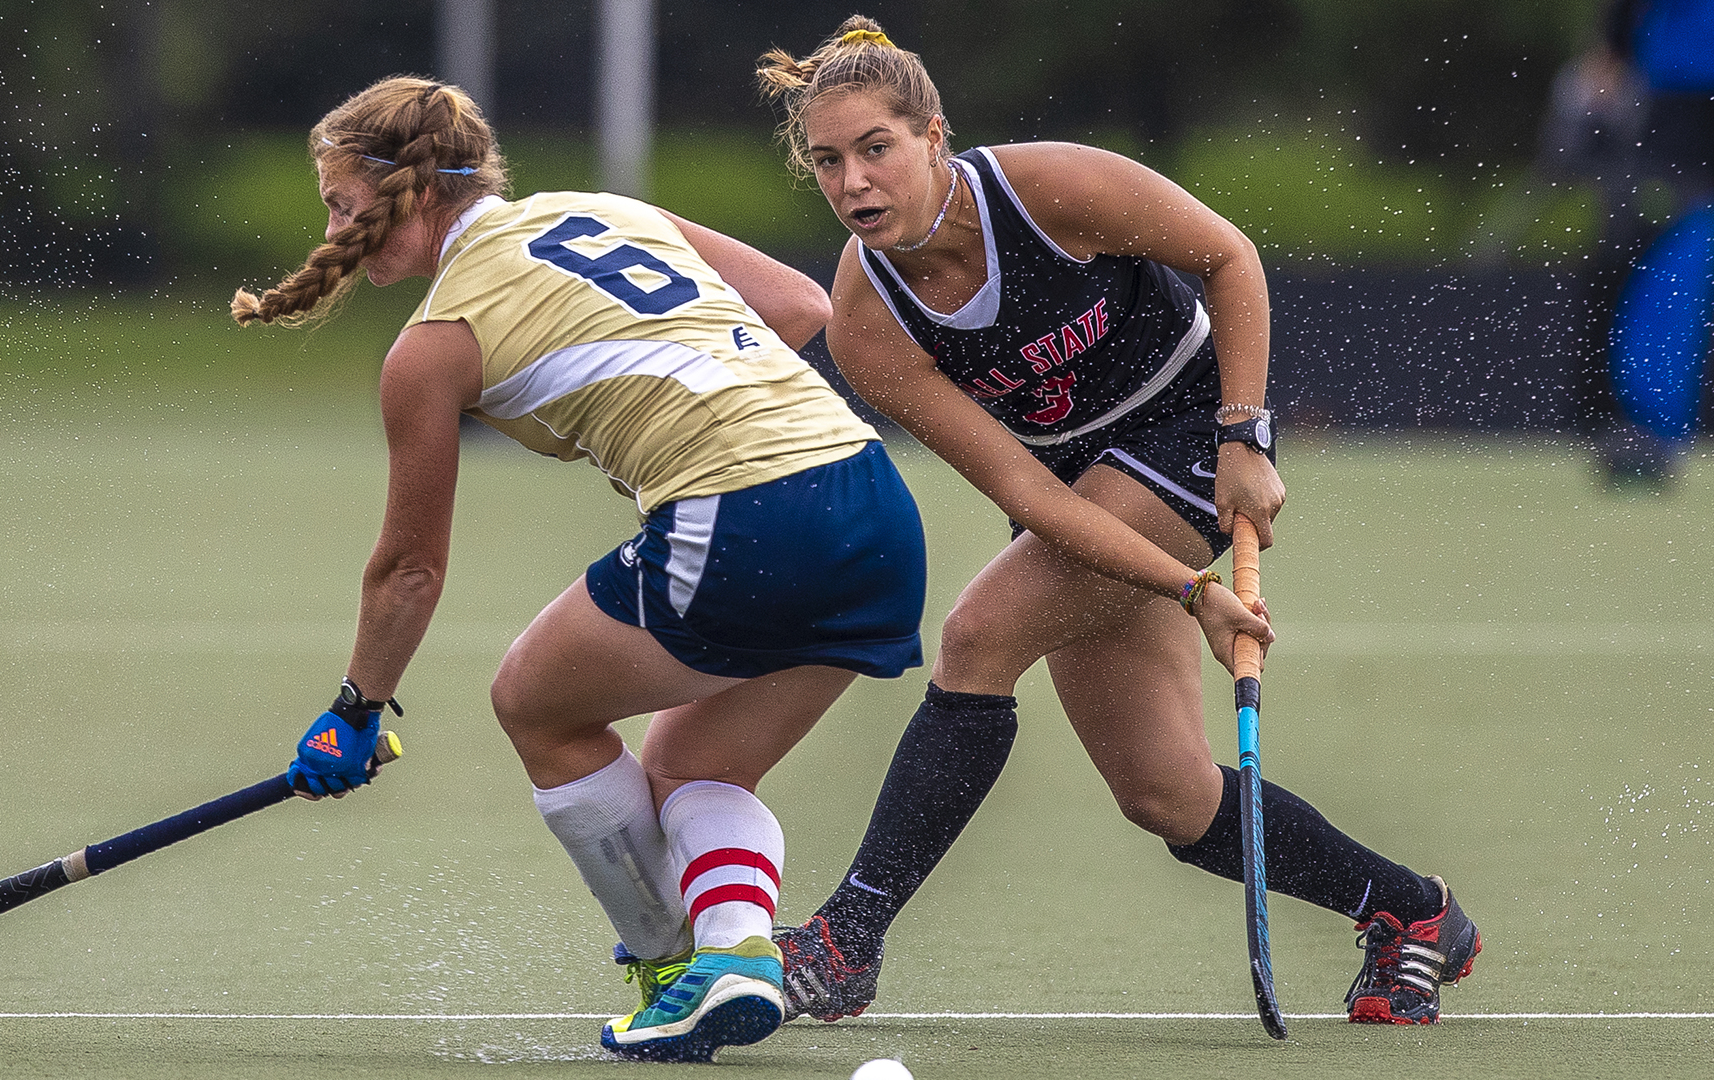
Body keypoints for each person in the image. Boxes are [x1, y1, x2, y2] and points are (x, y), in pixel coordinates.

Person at [754, 17, 1481, 1027]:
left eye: (876, 147)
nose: (854, 182)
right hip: (1076, 493)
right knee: (1166, 797)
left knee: (977, 636)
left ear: (933, 137)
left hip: (1185, 431)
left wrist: (1246, 433)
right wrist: (1190, 592)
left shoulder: (1047, 191)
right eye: (829, 163)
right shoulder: (869, 322)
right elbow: (1034, 500)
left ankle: (847, 941)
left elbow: (1229, 258)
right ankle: (1412, 915)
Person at [231, 75, 932, 1063]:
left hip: (742, 513)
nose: (341, 231)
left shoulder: (432, 348)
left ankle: (664, 967)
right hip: (872, 505)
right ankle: (736, 955)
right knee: (695, 766)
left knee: (535, 700)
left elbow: (407, 573)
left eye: (344, 206)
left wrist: (356, 708)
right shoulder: (601, 208)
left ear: (412, 193)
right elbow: (802, 304)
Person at [1552, 0, 1714, 487]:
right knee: (1678, 260)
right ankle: (1651, 427)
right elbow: (1618, 33)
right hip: (1681, 106)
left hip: (1677, 101)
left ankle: (1651, 426)